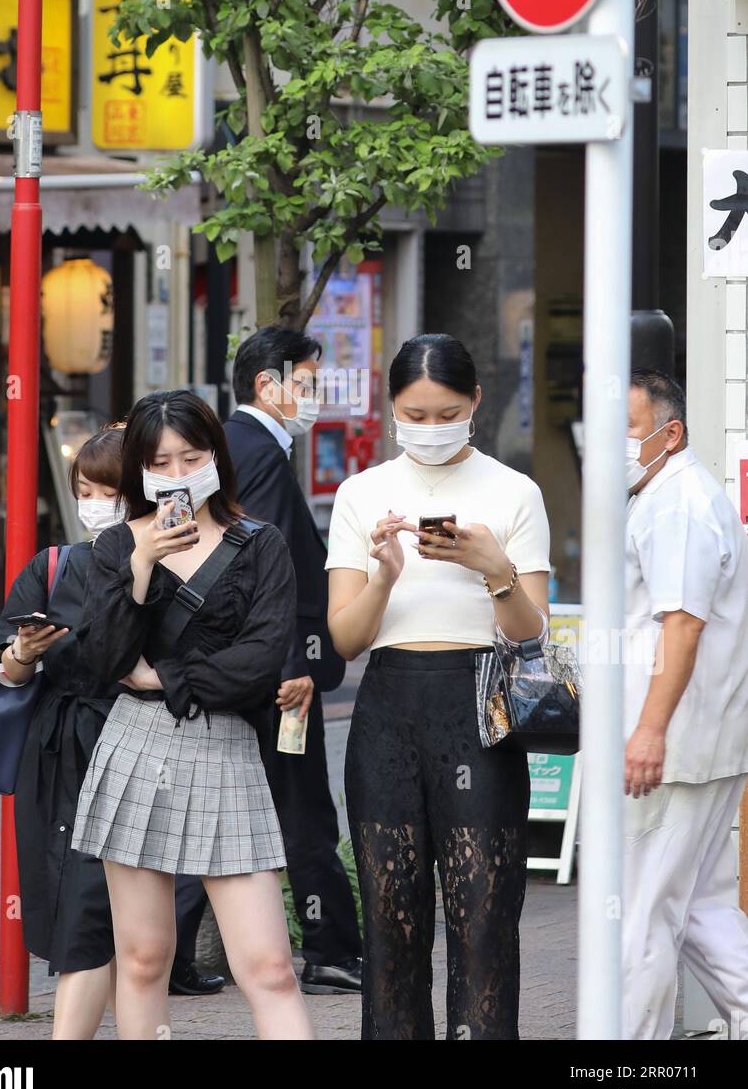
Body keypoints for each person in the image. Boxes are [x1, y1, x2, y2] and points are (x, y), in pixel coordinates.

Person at [70, 391, 315, 1041]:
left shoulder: (259, 544)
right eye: (161, 462)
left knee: (269, 967)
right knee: (146, 960)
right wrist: (143, 563)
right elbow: (104, 657)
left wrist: (166, 676)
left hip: (226, 749)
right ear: (139, 472)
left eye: (192, 456)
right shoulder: (117, 545)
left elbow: (261, 661)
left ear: (217, 457)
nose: (178, 475)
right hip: (135, 746)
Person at [326, 333, 551, 1040]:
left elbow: (530, 633)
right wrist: (386, 575)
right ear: (392, 408)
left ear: (476, 402)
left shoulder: (515, 492)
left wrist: (494, 566)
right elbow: (345, 639)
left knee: (485, 920)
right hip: (389, 704)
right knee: (392, 928)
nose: (429, 428)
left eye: (445, 412)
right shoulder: (362, 492)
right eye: (414, 414)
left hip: (478, 705)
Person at [175, 326, 362, 995]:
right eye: (306, 383)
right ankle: (332, 952)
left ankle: (168, 956)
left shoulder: (231, 446)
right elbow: (262, 565)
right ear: (268, 385)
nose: (313, 397)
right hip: (278, 675)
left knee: (224, 810)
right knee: (302, 808)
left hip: (241, 666)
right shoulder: (256, 451)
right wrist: (292, 663)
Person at [622, 369, 748, 1040]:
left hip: (672, 748)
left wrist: (647, 731)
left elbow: (683, 624)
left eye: (627, 427)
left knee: (643, 918)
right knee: (701, 910)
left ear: (670, 433)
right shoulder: (675, 495)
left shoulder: (677, 504)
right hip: (699, 743)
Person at [0, 426, 125, 1040]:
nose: (96, 501)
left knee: (109, 915)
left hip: (135, 741)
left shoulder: (177, 566)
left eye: (111, 490)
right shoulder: (52, 566)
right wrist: (23, 650)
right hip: (57, 747)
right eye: (86, 489)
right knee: (70, 897)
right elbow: (9, 671)